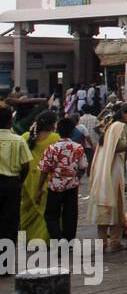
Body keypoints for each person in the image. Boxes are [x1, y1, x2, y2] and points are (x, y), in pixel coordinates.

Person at [88, 103, 127, 252]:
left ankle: (103, 242)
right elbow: (118, 147)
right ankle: (114, 242)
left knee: (104, 203)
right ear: (124, 114)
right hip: (113, 168)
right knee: (116, 203)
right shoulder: (119, 126)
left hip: (104, 167)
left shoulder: (111, 124)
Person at [36, 117, 87, 242]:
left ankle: (58, 240)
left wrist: (38, 188)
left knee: (51, 215)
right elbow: (83, 167)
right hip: (72, 186)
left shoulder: (52, 148)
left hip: (55, 186)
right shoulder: (78, 148)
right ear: (72, 131)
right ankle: (68, 241)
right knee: (70, 214)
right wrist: (76, 177)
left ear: (58, 130)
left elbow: (44, 169)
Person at [19, 110, 58, 243]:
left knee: (28, 209)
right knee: (46, 210)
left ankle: (28, 239)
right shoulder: (55, 138)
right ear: (52, 124)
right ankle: (43, 240)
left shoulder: (25, 136)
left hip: (27, 178)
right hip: (46, 179)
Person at [0, 106, 33, 260]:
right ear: (10, 121)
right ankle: (5, 263)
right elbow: (26, 165)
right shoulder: (18, 140)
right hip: (12, 183)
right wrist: (20, 181)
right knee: (11, 222)